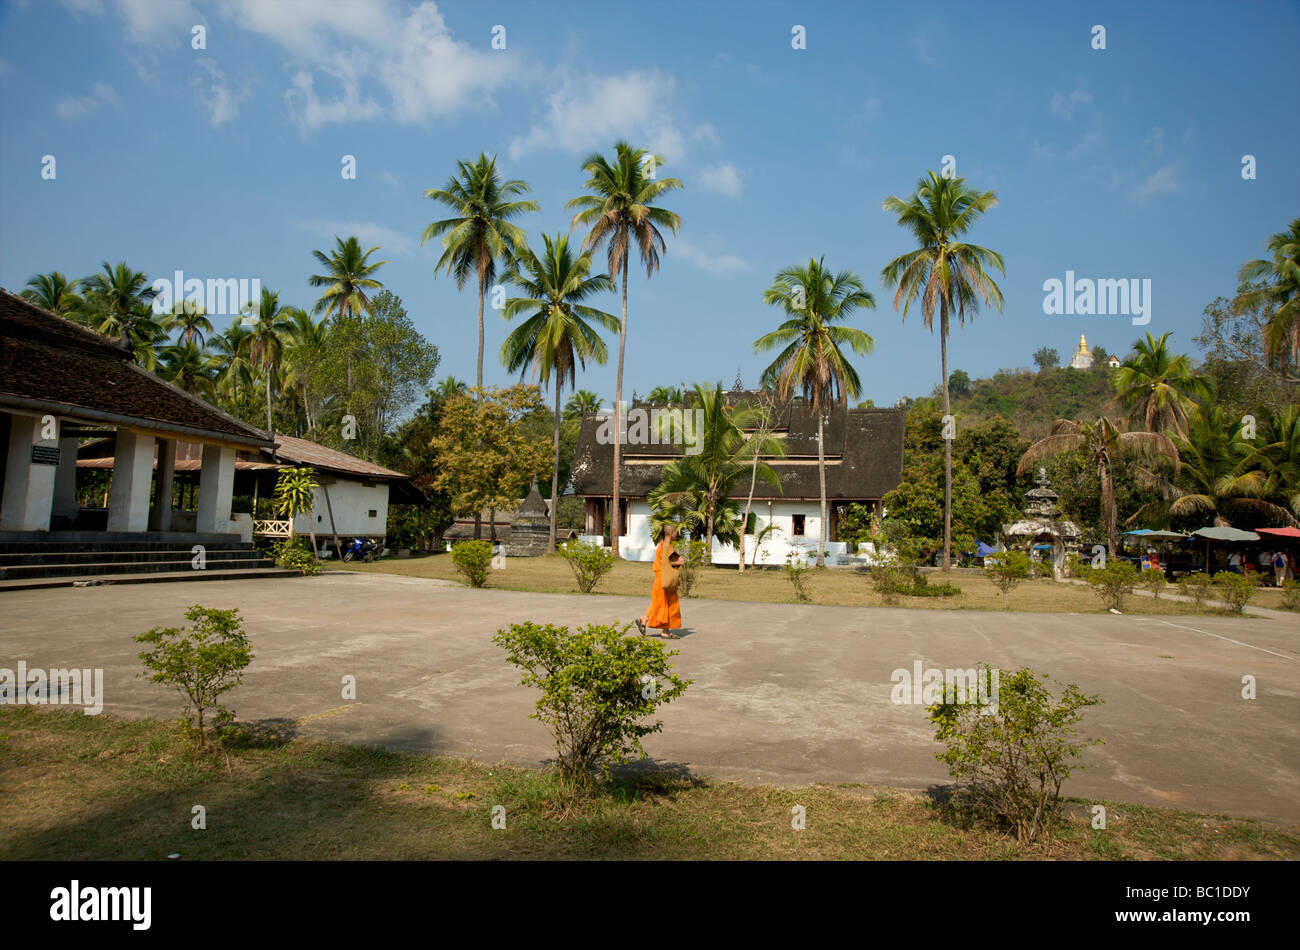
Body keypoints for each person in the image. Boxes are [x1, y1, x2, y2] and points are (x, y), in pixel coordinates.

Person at [635, 525, 682, 639]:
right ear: (672, 533)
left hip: (661, 579)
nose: (677, 534)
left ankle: (644, 620)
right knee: (666, 604)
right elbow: (666, 564)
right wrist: (679, 561)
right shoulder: (666, 546)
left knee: (661, 604)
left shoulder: (663, 544)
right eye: (676, 532)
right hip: (664, 580)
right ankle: (664, 631)